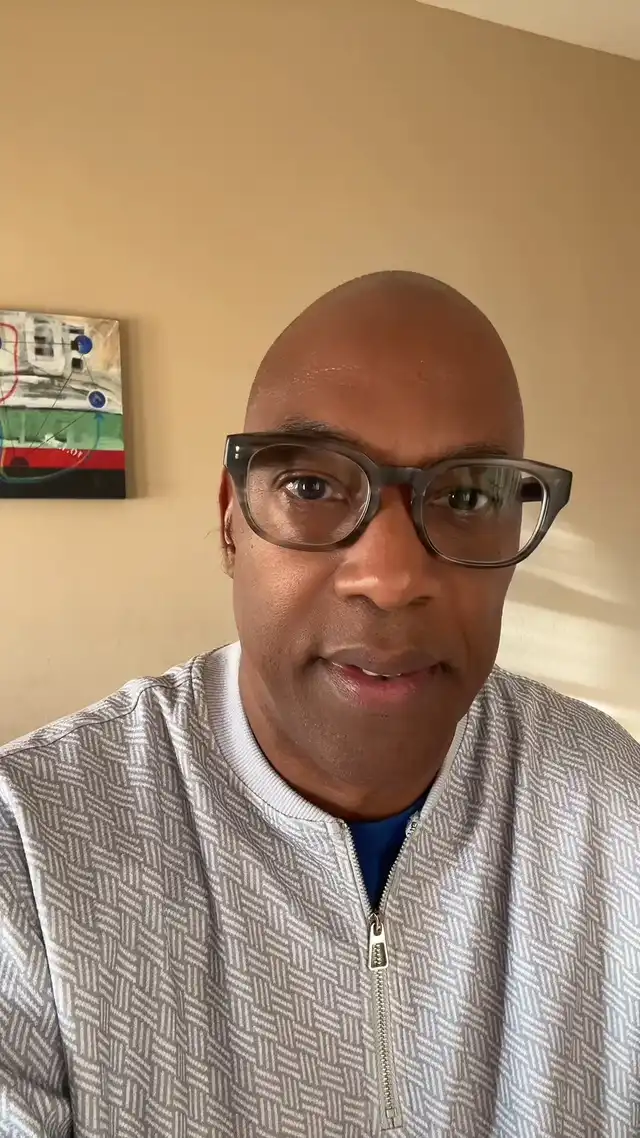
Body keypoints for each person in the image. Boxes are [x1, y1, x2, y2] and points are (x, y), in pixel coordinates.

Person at [0, 271, 638, 1138]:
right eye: (311, 486)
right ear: (232, 523)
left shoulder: (614, 813)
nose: (392, 578)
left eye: (467, 496)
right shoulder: (30, 856)